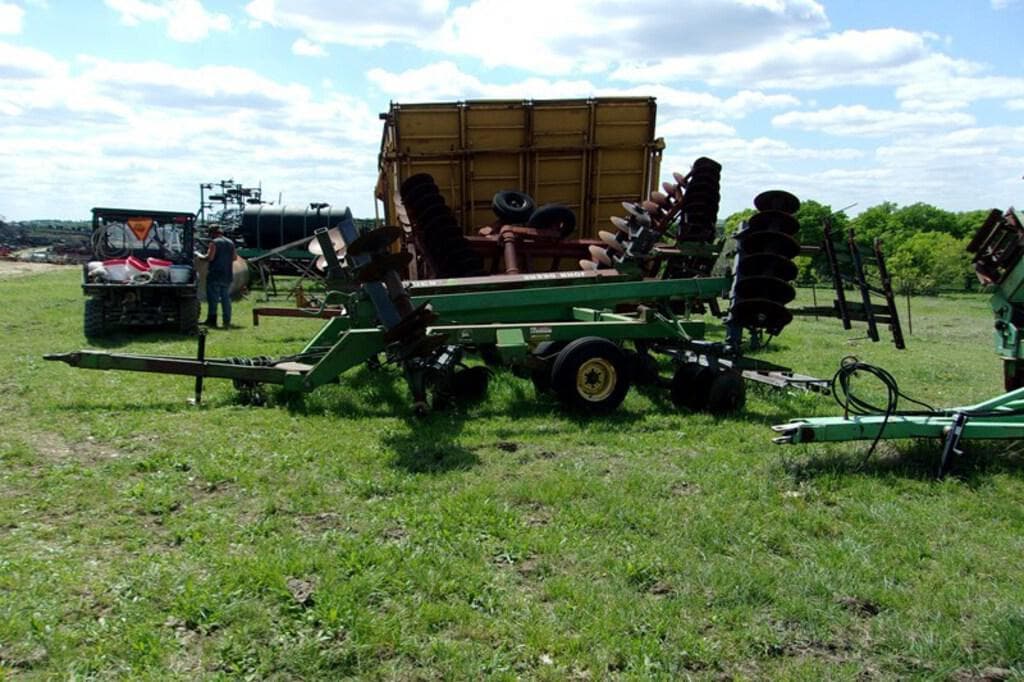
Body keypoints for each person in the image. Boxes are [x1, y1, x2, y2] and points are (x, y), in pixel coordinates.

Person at [195, 225, 238, 328]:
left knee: (213, 299)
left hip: (215, 274)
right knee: (225, 298)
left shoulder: (214, 243)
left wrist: (199, 255)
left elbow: (210, 257)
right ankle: (226, 321)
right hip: (227, 274)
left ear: (212, 233)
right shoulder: (230, 243)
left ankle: (212, 321)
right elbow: (234, 257)